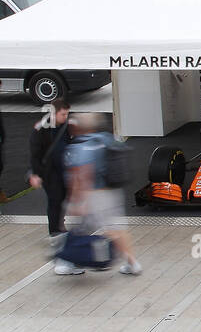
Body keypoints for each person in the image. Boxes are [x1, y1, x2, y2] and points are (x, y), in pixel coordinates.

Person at [60, 113, 141, 276]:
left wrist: (77, 200)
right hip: (113, 191)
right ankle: (132, 263)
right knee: (116, 228)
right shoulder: (106, 139)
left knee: (83, 229)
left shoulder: (82, 146)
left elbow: (83, 174)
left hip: (94, 195)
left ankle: (68, 261)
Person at [28, 98, 72, 239]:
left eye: (67, 114)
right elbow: (35, 153)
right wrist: (35, 174)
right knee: (55, 198)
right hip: (49, 171)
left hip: (62, 168)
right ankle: (55, 231)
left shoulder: (65, 126)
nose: (66, 118)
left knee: (63, 197)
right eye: (63, 115)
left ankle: (59, 224)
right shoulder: (41, 129)